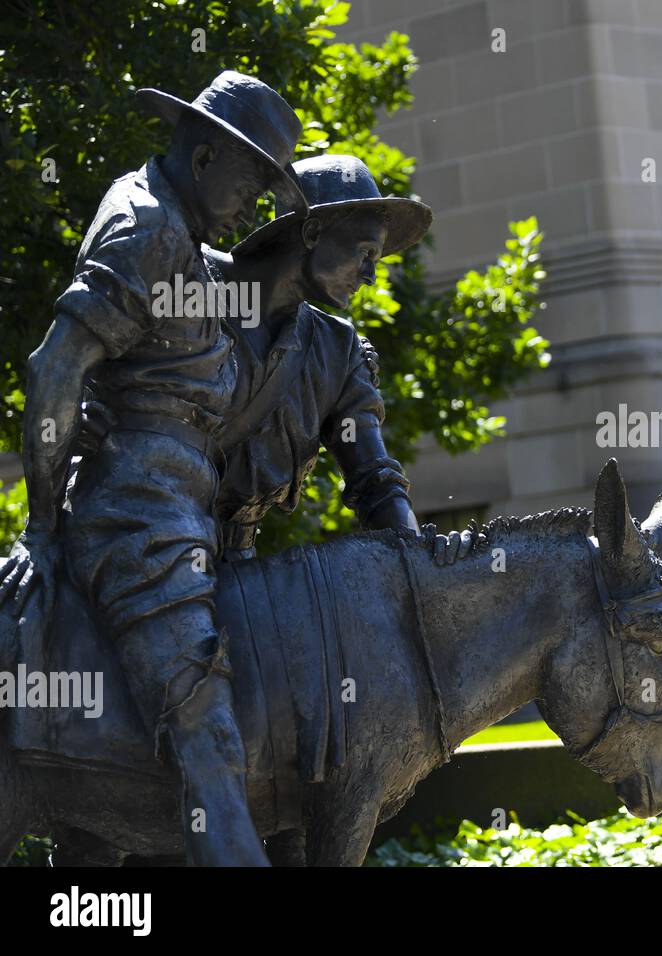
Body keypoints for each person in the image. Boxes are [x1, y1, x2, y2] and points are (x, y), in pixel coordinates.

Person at [20, 71, 306, 865]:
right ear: (209, 154)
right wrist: (43, 530)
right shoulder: (148, 229)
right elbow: (54, 372)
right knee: (209, 739)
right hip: (139, 521)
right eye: (255, 181)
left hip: (180, 511)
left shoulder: (175, 230)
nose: (257, 204)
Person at [198, 154, 433, 560]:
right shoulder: (191, 281)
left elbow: (375, 482)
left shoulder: (337, 350)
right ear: (311, 231)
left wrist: (419, 566)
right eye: (364, 254)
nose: (369, 276)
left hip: (233, 574)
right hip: (131, 538)